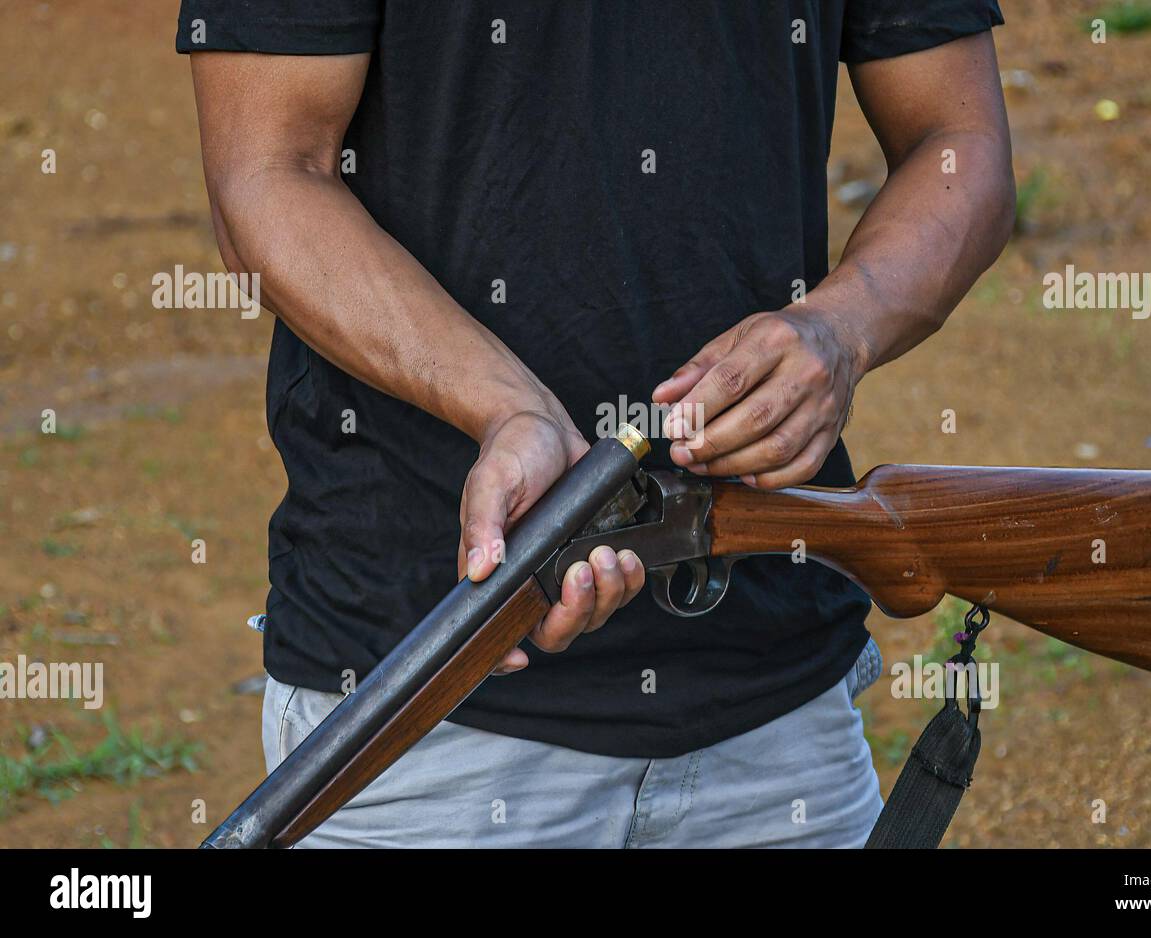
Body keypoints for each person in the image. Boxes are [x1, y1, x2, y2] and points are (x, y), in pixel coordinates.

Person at [177, 0, 1013, 847]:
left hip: (781, 719)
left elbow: (959, 140)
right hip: (415, 719)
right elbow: (267, 172)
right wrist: (506, 405)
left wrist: (839, 328)